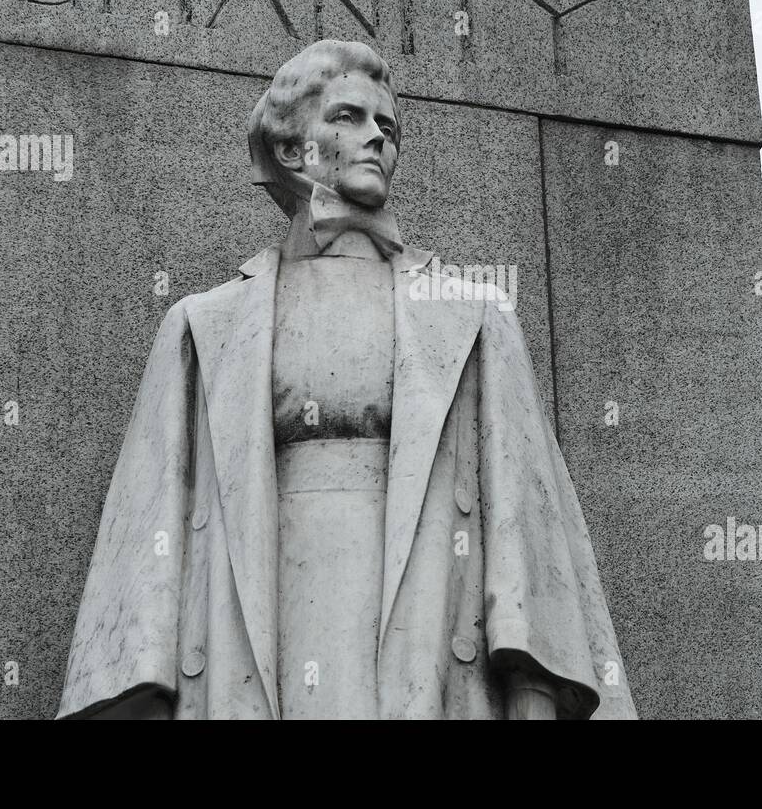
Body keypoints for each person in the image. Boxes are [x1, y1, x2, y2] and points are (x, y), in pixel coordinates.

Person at [57, 39, 635, 719]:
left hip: (428, 635)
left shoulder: (473, 319)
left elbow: (524, 528)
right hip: (254, 640)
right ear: (292, 149)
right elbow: (147, 548)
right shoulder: (202, 327)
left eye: (386, 128)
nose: (376, 140)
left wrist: (532, 690)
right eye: (350, 118)